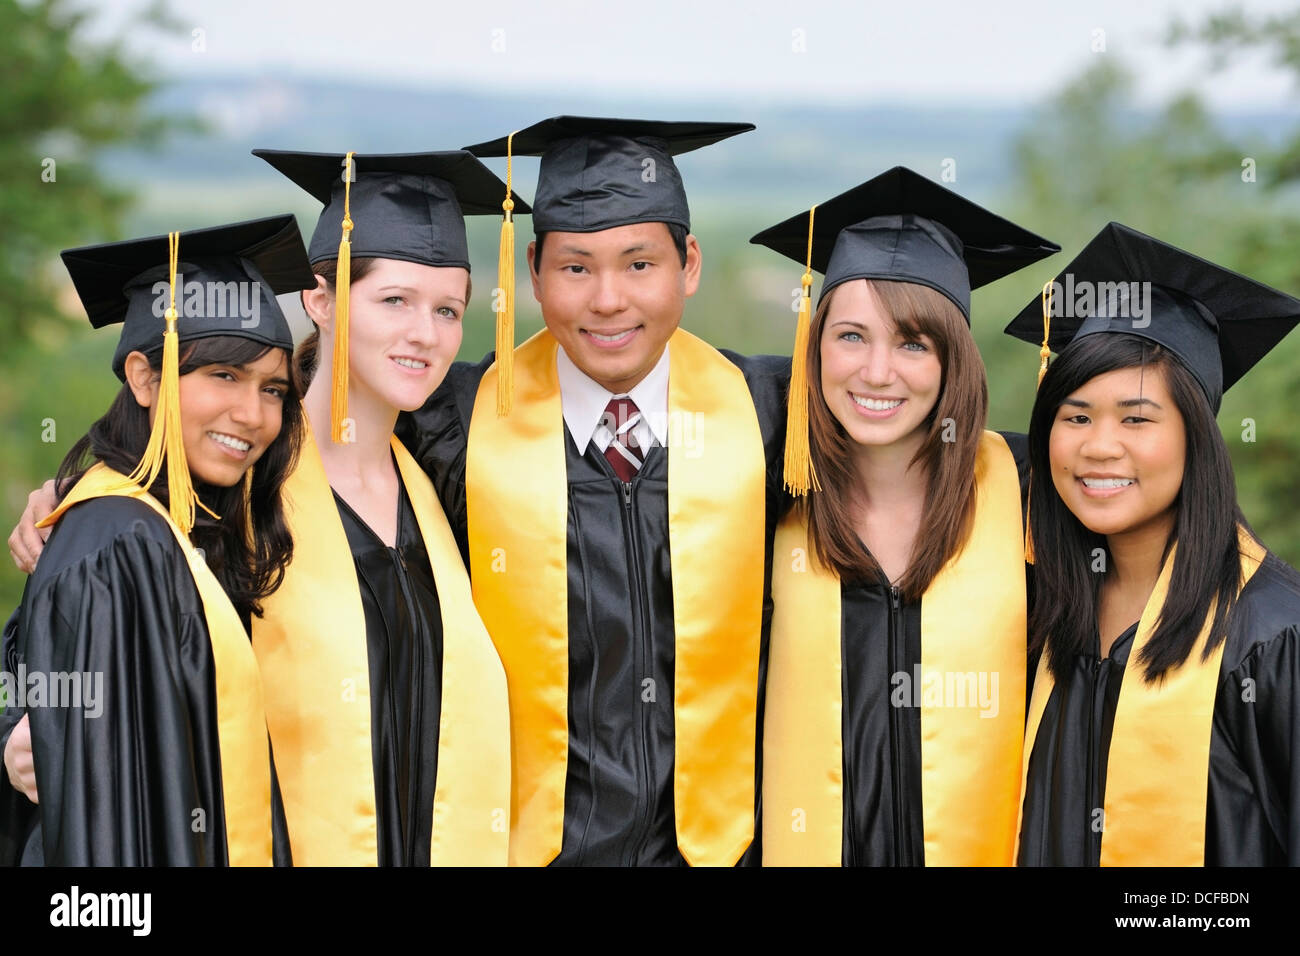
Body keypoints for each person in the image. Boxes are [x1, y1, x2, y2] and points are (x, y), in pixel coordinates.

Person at [7, 152, 521, 866]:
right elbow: (81, 618)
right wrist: (18, 726)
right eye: (394, 301)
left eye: (448, 310)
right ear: (319, 299)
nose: (425, 335)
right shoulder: (224, 489)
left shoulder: (449, 473)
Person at [397, 116, 789, 866]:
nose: (608, 300)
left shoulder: (772, 415)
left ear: (690, 264)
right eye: (576, 268)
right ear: (536, 271)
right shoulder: (452, 428)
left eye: (639, 264)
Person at [749, 167, 1059, 865]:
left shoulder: (1031, 496)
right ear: (815, 344)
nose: (877, 371)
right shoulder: (762, 500)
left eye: (913, 343)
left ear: (955, 361)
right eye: (851, 337)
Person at [0, 215, 314, 865]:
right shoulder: (119, 548)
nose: (253, 414)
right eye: (223, 377)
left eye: (272, 388)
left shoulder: (198, 528)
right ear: (144, 378)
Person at [1006, 222, 1300, 865]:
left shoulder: (1272, 634)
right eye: (1075, 416)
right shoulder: (1046, 611)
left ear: (1197, 435)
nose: (1099, 446)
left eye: (1137, 418)